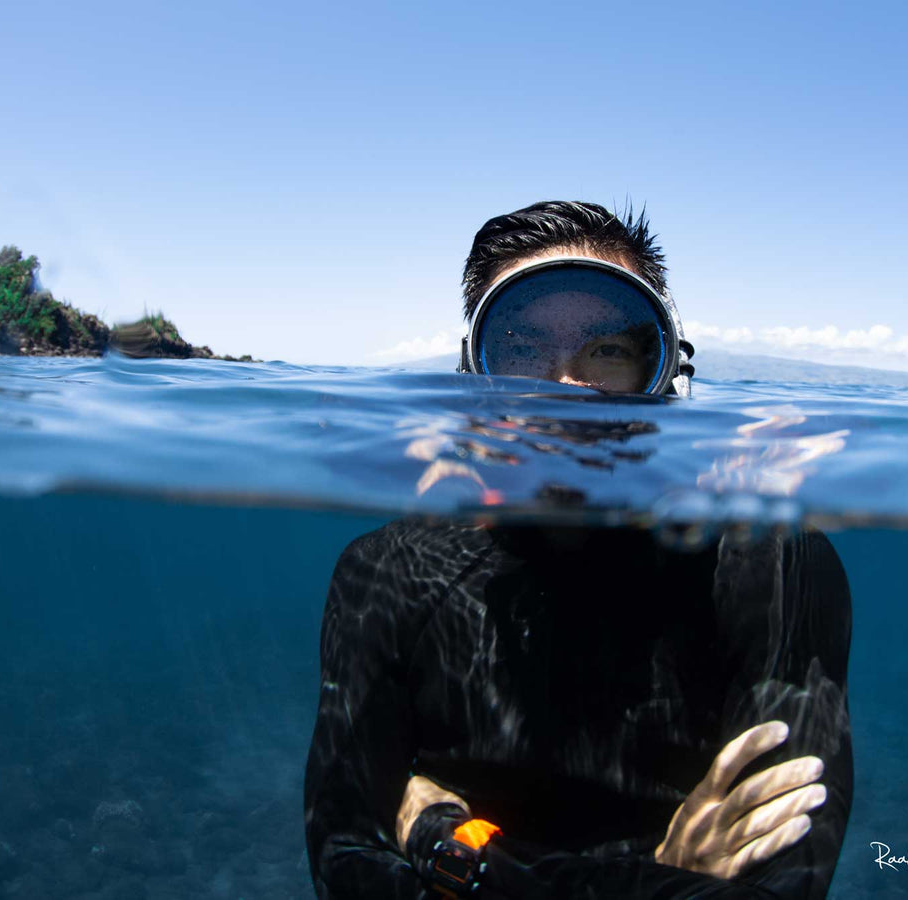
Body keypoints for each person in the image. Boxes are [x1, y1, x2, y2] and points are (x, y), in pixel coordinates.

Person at [304, 201, 852, 898]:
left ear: (667, 379)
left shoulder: (770, 564)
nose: (564, 395)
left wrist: (448, 844)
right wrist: (660, 878)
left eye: (610, 350)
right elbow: (342, 861)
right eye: (523, 350)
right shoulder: (387, 571)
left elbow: (783, 889)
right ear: (475, 381)